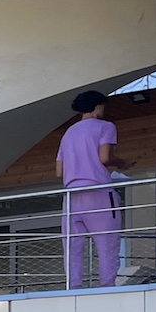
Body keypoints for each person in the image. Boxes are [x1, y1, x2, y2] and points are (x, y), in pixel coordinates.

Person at [56, 90, 130, 289]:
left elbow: (58, 171)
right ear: (98, 106)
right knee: (107, 242)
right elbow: (104, 158)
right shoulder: (105, 126)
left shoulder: (68, 133)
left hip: (71, 195)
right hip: (98, 191)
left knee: (72, 247)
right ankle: (107, 286)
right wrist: (121, 163)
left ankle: (73, 287)